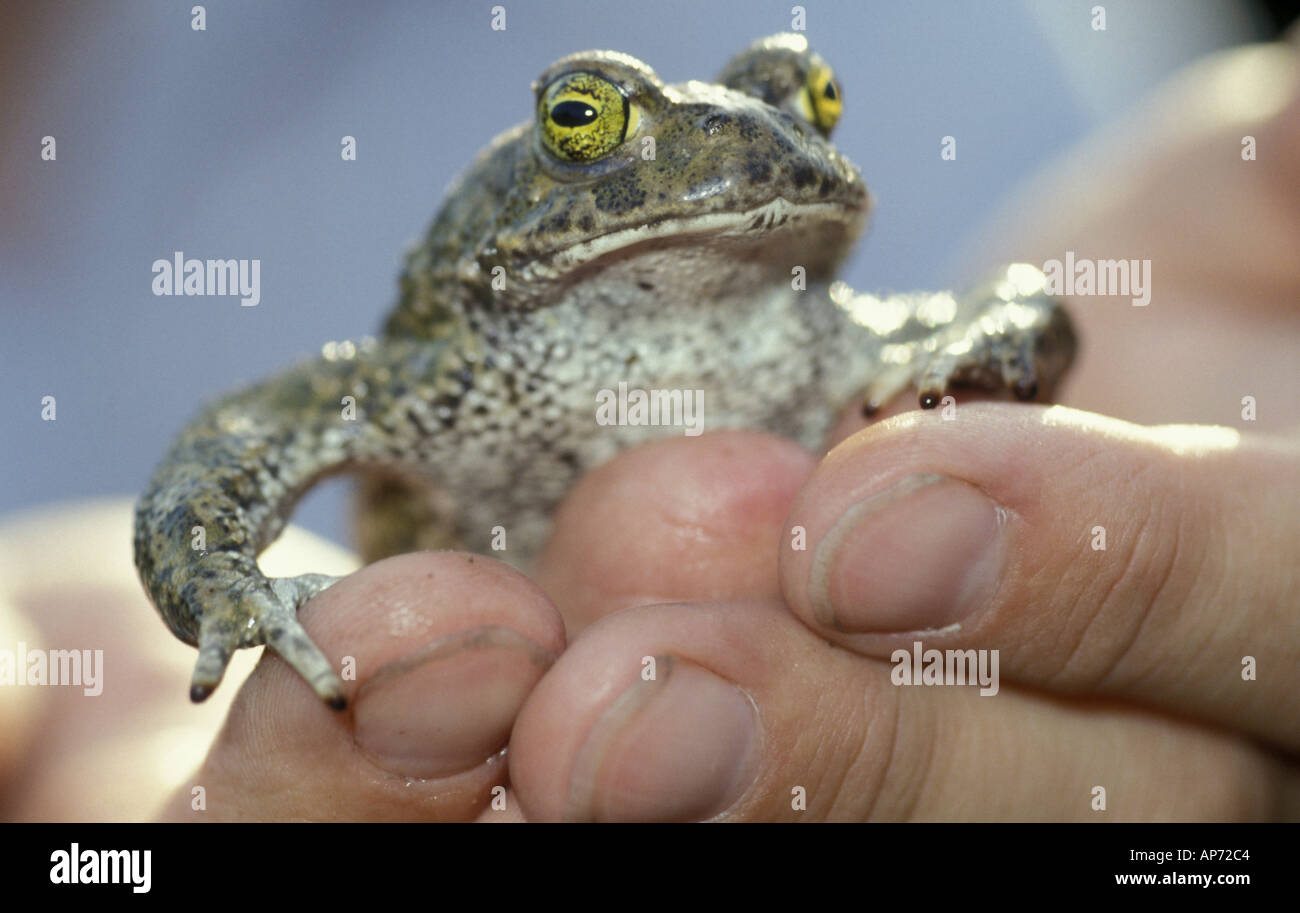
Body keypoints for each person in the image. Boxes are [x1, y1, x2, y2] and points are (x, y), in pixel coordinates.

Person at [2, 33, 1296, 822]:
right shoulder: (442, 363)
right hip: (461, 653)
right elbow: (242, 430)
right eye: (588, 125)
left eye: (807, 105)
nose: (747, 135)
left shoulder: (826, 319)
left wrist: (995, 371)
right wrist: (220, 586)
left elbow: (1025, 309)